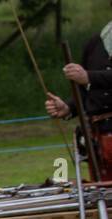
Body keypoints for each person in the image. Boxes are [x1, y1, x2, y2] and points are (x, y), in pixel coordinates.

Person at [44, 11, 112, 176]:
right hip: (99, 138)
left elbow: (87, 78)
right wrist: (68, 108)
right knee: (102, 196)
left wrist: (89, 76)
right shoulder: (96, 42)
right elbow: (86, 90)